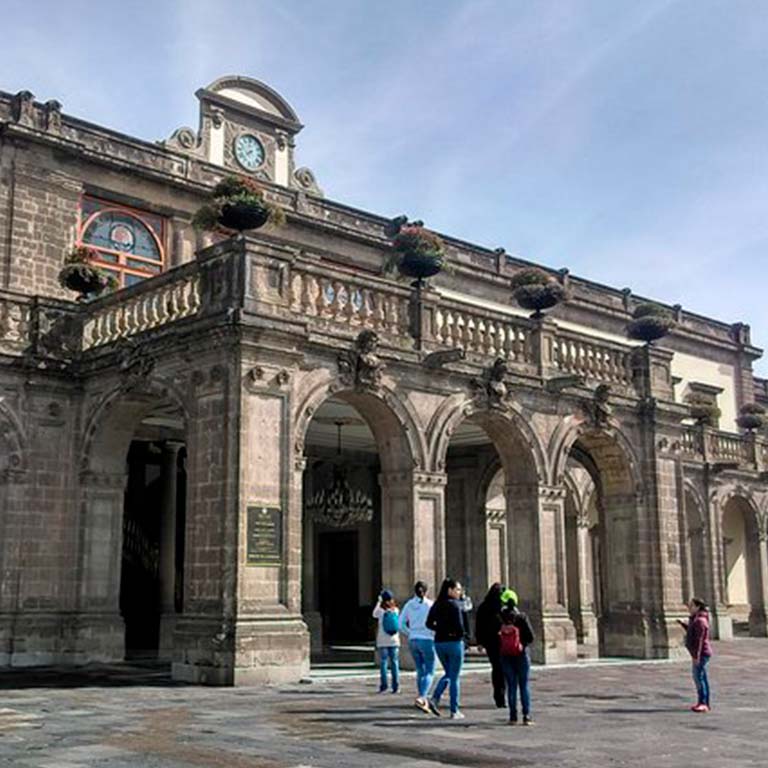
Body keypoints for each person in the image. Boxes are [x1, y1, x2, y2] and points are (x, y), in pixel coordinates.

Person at [426, 578, 468, 719]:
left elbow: (428, 623)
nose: (459, 592)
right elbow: (460, 627)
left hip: (439, 642)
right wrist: (459, 635)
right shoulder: (455, 605)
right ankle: (453, 709)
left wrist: (440, 629)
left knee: (449, 673)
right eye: (457, 589)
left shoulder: (436, 604)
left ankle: (435, 698)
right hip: (454, 643)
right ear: (449, 590)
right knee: (454, 677)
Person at [498, 588, 535, 725]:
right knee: (524, 685)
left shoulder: (500, 618)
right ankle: (526, 716)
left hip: (506, 655)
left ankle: (513, 717)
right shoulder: (521, 617)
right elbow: (531, 637)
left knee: (511, 686)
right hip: (521, 654)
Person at [399, 581, 436, 714]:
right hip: (427, 638)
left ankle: (422, 696)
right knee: (430, 671)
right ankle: (422, 696)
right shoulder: (430, 605)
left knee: (420, 669)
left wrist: (410, 633)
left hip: (413, 639)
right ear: (426, 591)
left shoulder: (409, 604)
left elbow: (400, 624)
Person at [677, 597, 713, 712]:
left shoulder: (700, 621)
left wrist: (696, 656)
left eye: (691, 605)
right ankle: (704, 702)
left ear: (697, 607)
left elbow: (699, 640)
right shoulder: (696, 619)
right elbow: (692, 632)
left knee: (699, 678)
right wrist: (683, 624)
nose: (689, 608)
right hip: (700, 653)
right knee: (701, 677)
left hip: (702, 653)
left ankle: (703, 703)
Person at [475, 583, 506, 708]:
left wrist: (480, 641)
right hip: (500, 641)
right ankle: (501, 696)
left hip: (490, 642)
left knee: (497, 668)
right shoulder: (501, 607)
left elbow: (478, 625)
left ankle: (499, 696)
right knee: (501, 669)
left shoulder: (484, 606)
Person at [372, 589, 400, 693]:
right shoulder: (396, 610)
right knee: (394, 663)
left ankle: (384, 686)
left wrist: (379, 601)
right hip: (394, 640)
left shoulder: (381, 611)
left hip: (383, 640)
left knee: (384, 663)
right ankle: (396, 686)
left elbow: (374, 614)